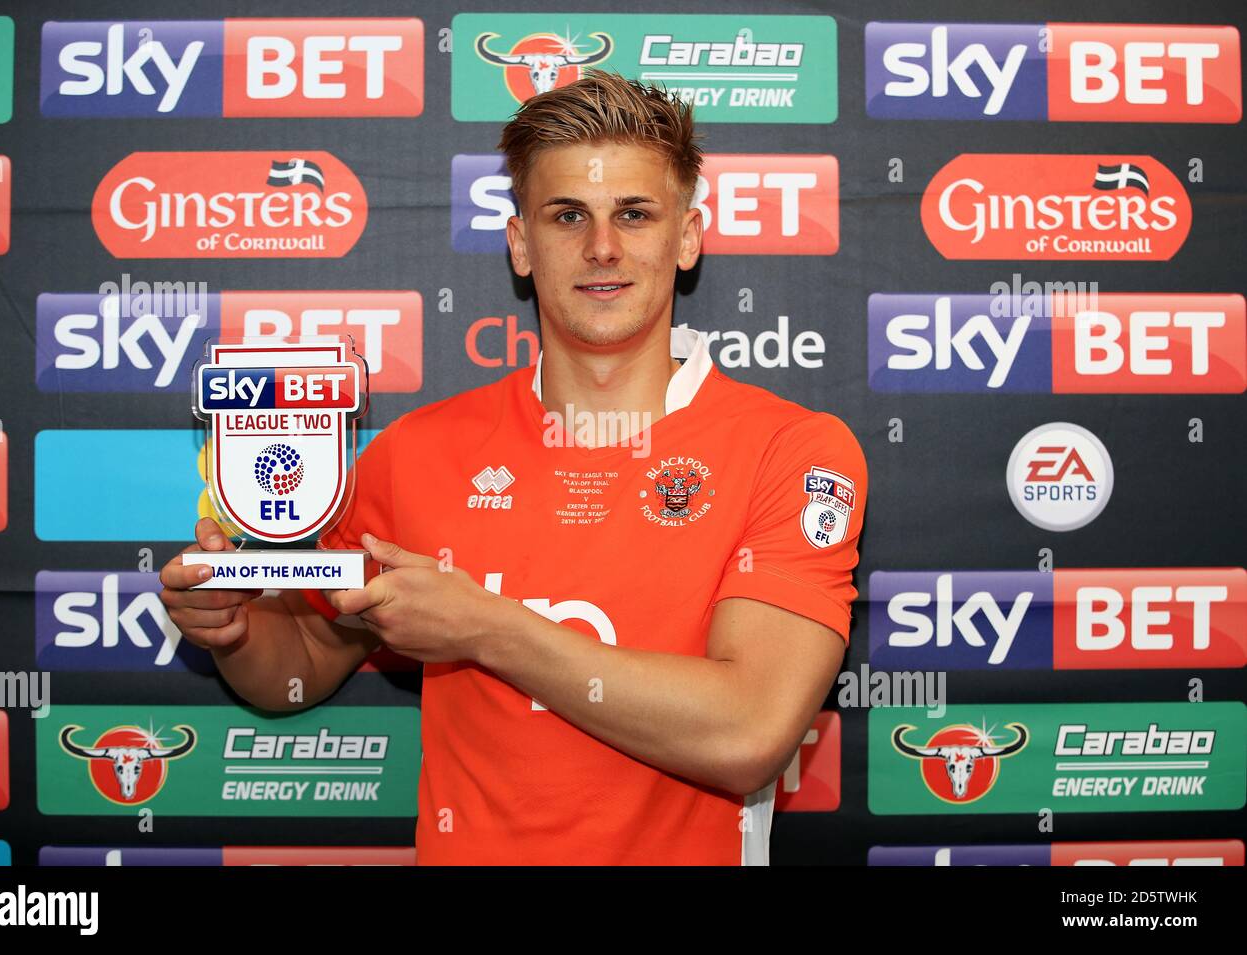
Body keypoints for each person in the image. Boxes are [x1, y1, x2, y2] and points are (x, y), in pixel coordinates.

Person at [159, 69, 867, 865]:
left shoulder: (792, 449)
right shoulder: (417, 452)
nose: (603, 246)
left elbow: (750, 731)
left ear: (687, 236)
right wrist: (235, 630)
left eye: (634, 213)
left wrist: (487, 627)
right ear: (522, 243)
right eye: (568, 215)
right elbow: (301, 666)